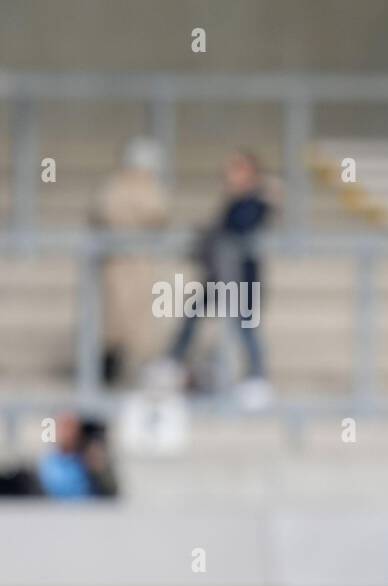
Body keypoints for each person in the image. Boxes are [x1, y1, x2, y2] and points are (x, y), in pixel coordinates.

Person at [156, 149, 273, 409]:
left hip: (242, 278)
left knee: (246, 327)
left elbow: (241, 228)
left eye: (236, 170)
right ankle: (172, 362)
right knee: (193, 313)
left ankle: (257, 377)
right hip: (219, 275)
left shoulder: (256, 201)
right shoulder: (234, 201)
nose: (229, 176)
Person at [90, 137, 170, 386]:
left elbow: (159, 216)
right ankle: (107, 372)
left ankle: (127, 371)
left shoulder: (125, 187)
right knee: (116, 325)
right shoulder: (120, 188)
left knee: (135, 324)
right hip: (120, 263)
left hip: (136, 264)